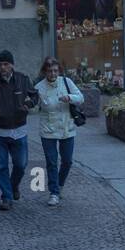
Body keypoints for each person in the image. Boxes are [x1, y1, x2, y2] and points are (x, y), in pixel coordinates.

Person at [0, 50, 38, 211]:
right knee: (0, 166)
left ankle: (13, 186)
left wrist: (29, 105)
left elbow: (35, 96)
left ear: (12, 65)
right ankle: (7, 196)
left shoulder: (23, 80)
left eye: (6, 64)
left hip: (19, 131)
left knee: (21, 164)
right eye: (0, 65)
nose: (3, 67)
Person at [35, 56, 84, 208]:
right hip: (48, 130)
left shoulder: (66, 82)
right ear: (45, 72)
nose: (53, 74)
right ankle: (54, 193)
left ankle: (60, 184)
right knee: (51, 162)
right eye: (50, 71)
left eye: (56, 71)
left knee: (67, 161)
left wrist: (69, 97)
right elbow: (32, 107)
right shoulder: (39, 88)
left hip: (66, 129)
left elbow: (80, 98)